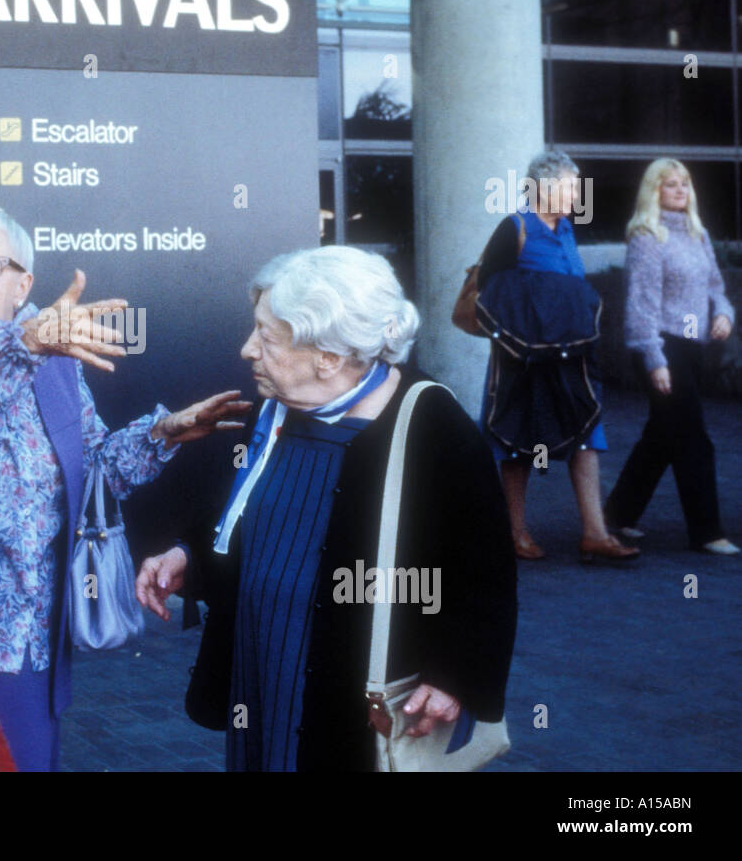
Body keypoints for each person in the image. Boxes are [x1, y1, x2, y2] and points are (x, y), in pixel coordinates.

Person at [0, 204, 249, 771]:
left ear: (22, 285)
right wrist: (28, 341)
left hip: (31, 649)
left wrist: (164, 432)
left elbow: (97, 473)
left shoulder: (56, 367)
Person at [136, 246, 516, 771]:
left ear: (329, 356)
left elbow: (485, 573)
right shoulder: (276, 414)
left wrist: (451, 674)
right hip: (263, 661)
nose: (248, 349)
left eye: (266, 337)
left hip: (355, 681)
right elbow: (248, 519)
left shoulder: (430, 423)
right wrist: (190, 556)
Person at [476, 151, 639, 563]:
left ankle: (595, 535)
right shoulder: (514, 228)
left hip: (572, 357)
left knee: (587, 434)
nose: (574, 195)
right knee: (516, 443)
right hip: (522, 358)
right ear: (542, 187)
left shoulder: (567, 230)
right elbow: (490, 290)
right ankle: (515, 533)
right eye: (568, 186)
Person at [604, 159, 738, 554]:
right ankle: (707, 532)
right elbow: (640, 305)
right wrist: (654, 359)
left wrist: (725, 313)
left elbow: (716, 285)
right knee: (694, 438)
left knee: (661, 437)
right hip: (660, 346)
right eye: (670, 185)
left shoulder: (698, 234)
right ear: (654, 191)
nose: (680, 190)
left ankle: (616, 515)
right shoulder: (647, 236)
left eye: (684, 184)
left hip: (693, 346)